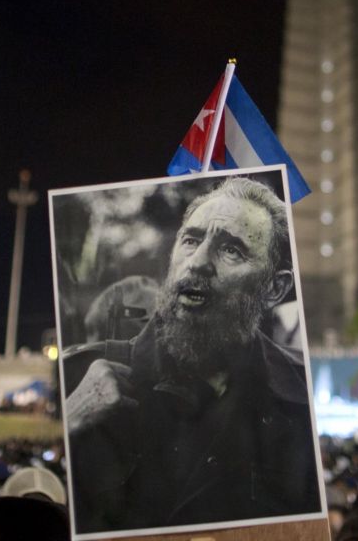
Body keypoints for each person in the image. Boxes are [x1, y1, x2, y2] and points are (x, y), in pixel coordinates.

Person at [62, 176, 320, 532]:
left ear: (275, 288)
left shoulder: (304, 393)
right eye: (191, 239)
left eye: (232, 249)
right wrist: (69, 424)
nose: (197, 262)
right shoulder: (76, 377)